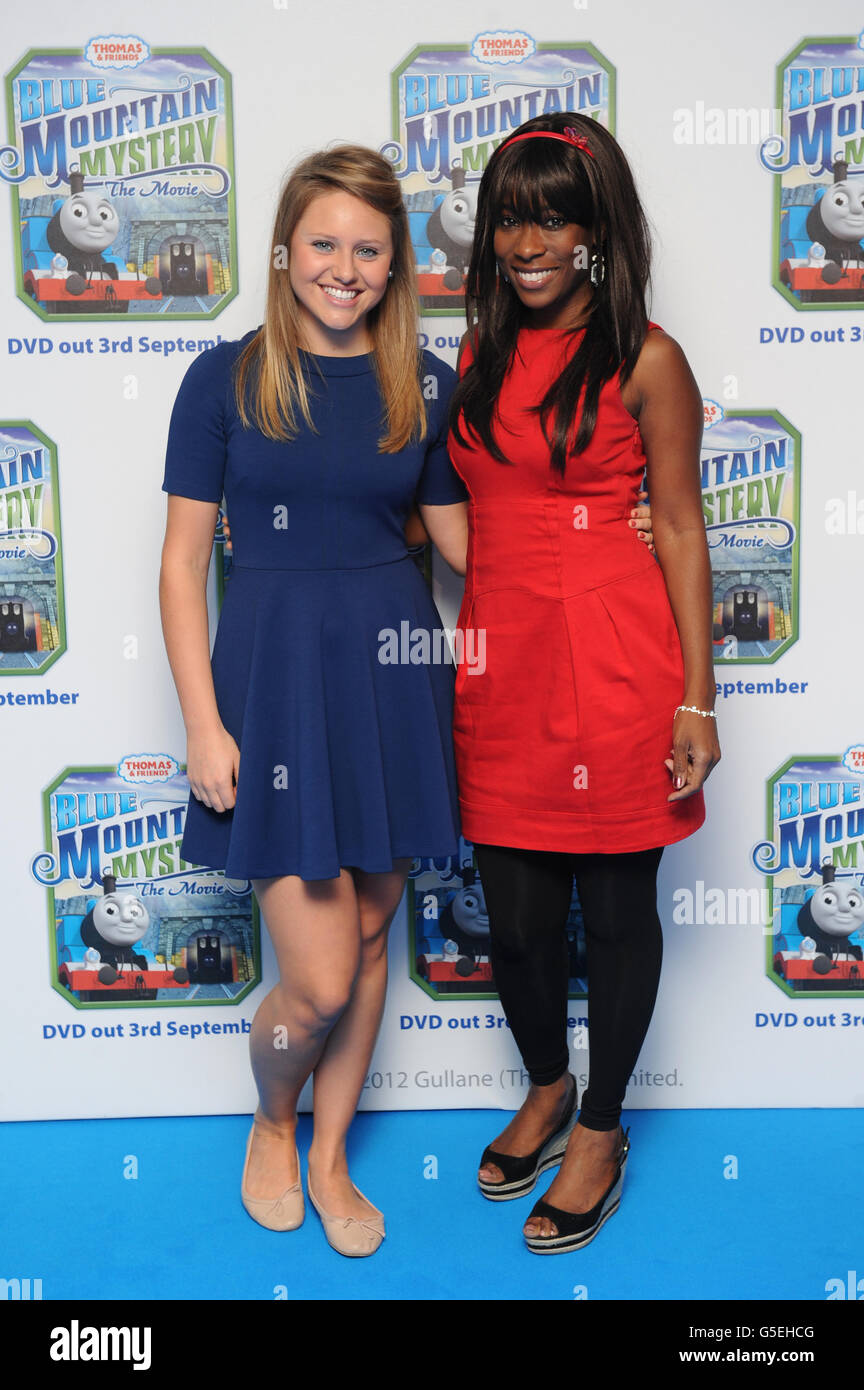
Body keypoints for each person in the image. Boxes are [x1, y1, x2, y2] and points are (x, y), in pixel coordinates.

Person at [158, 145, 471, 1257]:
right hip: (275, 687)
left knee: (376, 940)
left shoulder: (422, 384)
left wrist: (598, 524)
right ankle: (273, 1119)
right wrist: (204, 720)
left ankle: (331, 1156)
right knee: (323, 974)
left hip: (393, 676)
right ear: (286, 251)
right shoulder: (224, 378)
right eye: (325, 243)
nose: (346, 267)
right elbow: (182, 565)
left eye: (370, 249)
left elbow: (466, 547)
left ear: (396, 268)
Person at [446, 112, 720, 1254]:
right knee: (514, 923)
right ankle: (548, 1085)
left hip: (618, 664)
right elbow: (475, 515)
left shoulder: (648, 359)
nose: (528, 238)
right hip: (500, 661)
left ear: (600, 233)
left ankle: (602, 1126)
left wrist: (698, 698)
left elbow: (686, 529)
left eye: (555, 215)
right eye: (512, 214)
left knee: (613, 917)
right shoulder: (474, 354)